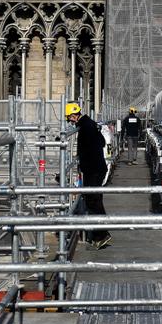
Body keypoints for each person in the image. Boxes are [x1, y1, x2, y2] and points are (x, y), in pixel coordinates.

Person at [65, 102, 111, 249]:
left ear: (74, 115)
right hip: (96, 168)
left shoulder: (86, 127)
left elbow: (95, 146)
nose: (70, 121)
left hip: (93, 169)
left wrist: (83, 161)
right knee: (95, 199)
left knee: (93, 200)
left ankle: (101, 235)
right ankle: (101, 234)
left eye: (69, 118)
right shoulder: (89, 124)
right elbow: (102, 142)